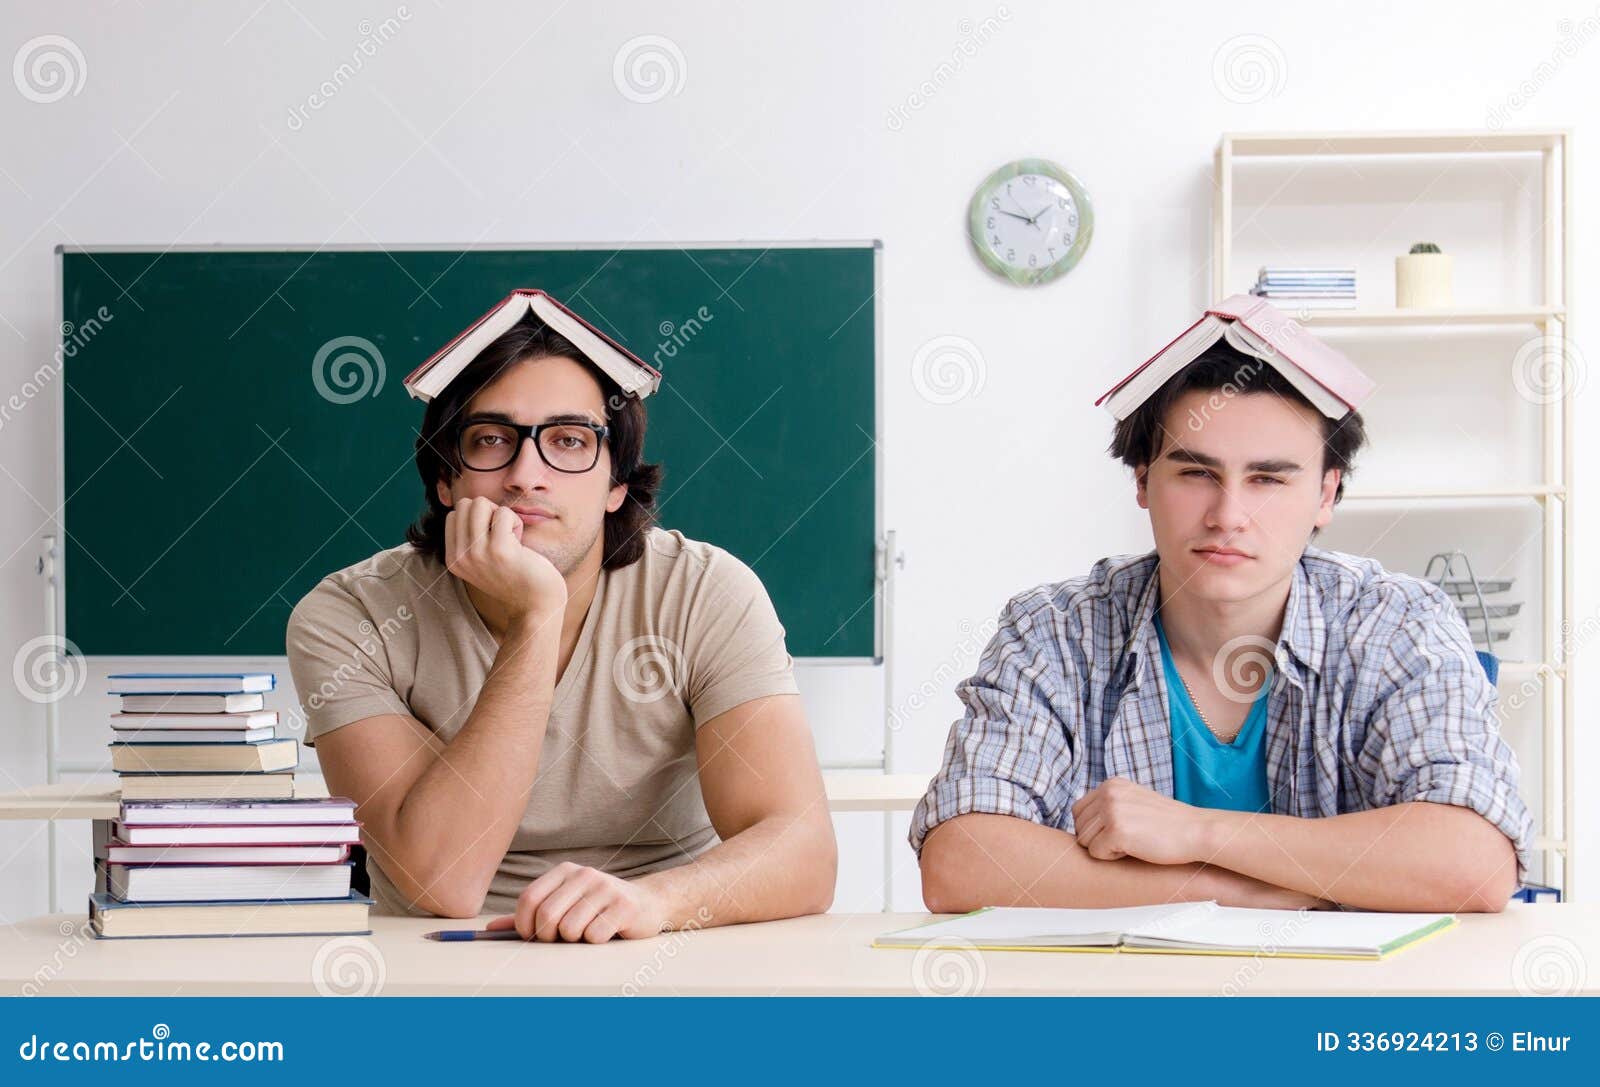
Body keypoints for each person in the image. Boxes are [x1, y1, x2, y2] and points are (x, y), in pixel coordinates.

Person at [911, 342, 1532, 914]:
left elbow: (1471, 863)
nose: (1228, 515)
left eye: (1268, 478)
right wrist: (1233, 891)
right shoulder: (1053, 632)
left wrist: (1195, 831)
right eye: (1196, 473)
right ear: (1143, 481)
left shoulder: (1399, 625)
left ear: (1325, 494)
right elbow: (962, 863)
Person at [287, 315, 836, 941]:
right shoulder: (347, 616)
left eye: (570, 441)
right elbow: (442, 883)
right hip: (439, 955)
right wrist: (535, 619)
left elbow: (804, 854)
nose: (527, 475)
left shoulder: (705, 591)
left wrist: (651, 903)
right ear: (445, 479)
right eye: (492, 440)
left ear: (615, 484)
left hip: (658, 942)